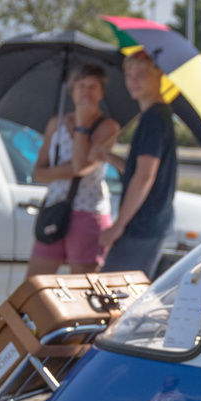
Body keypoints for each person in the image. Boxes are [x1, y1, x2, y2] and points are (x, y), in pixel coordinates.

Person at [25, 62, 118, 278]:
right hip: (55, 207)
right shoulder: (56, 123)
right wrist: (64, 170)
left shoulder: (107, 126)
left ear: (101, 92)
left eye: (93, 87)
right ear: (72, 90)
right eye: (81, 86)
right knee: (35, 283)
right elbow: (38, 172)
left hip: (87, 210)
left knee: (83, 286)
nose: (86, 92)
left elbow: (81, 167)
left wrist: (82, 126)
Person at [97, 51, 176, 277]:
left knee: (115, 293)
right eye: (129, 74)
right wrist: (109, 157)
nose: (133, 80)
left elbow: (145, 176)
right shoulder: (154, 116)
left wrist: (117, 226)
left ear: (159, 75)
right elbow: (140, 171)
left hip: (142, 224)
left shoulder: (153, 118)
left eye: (141, 74)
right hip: (150, 221)